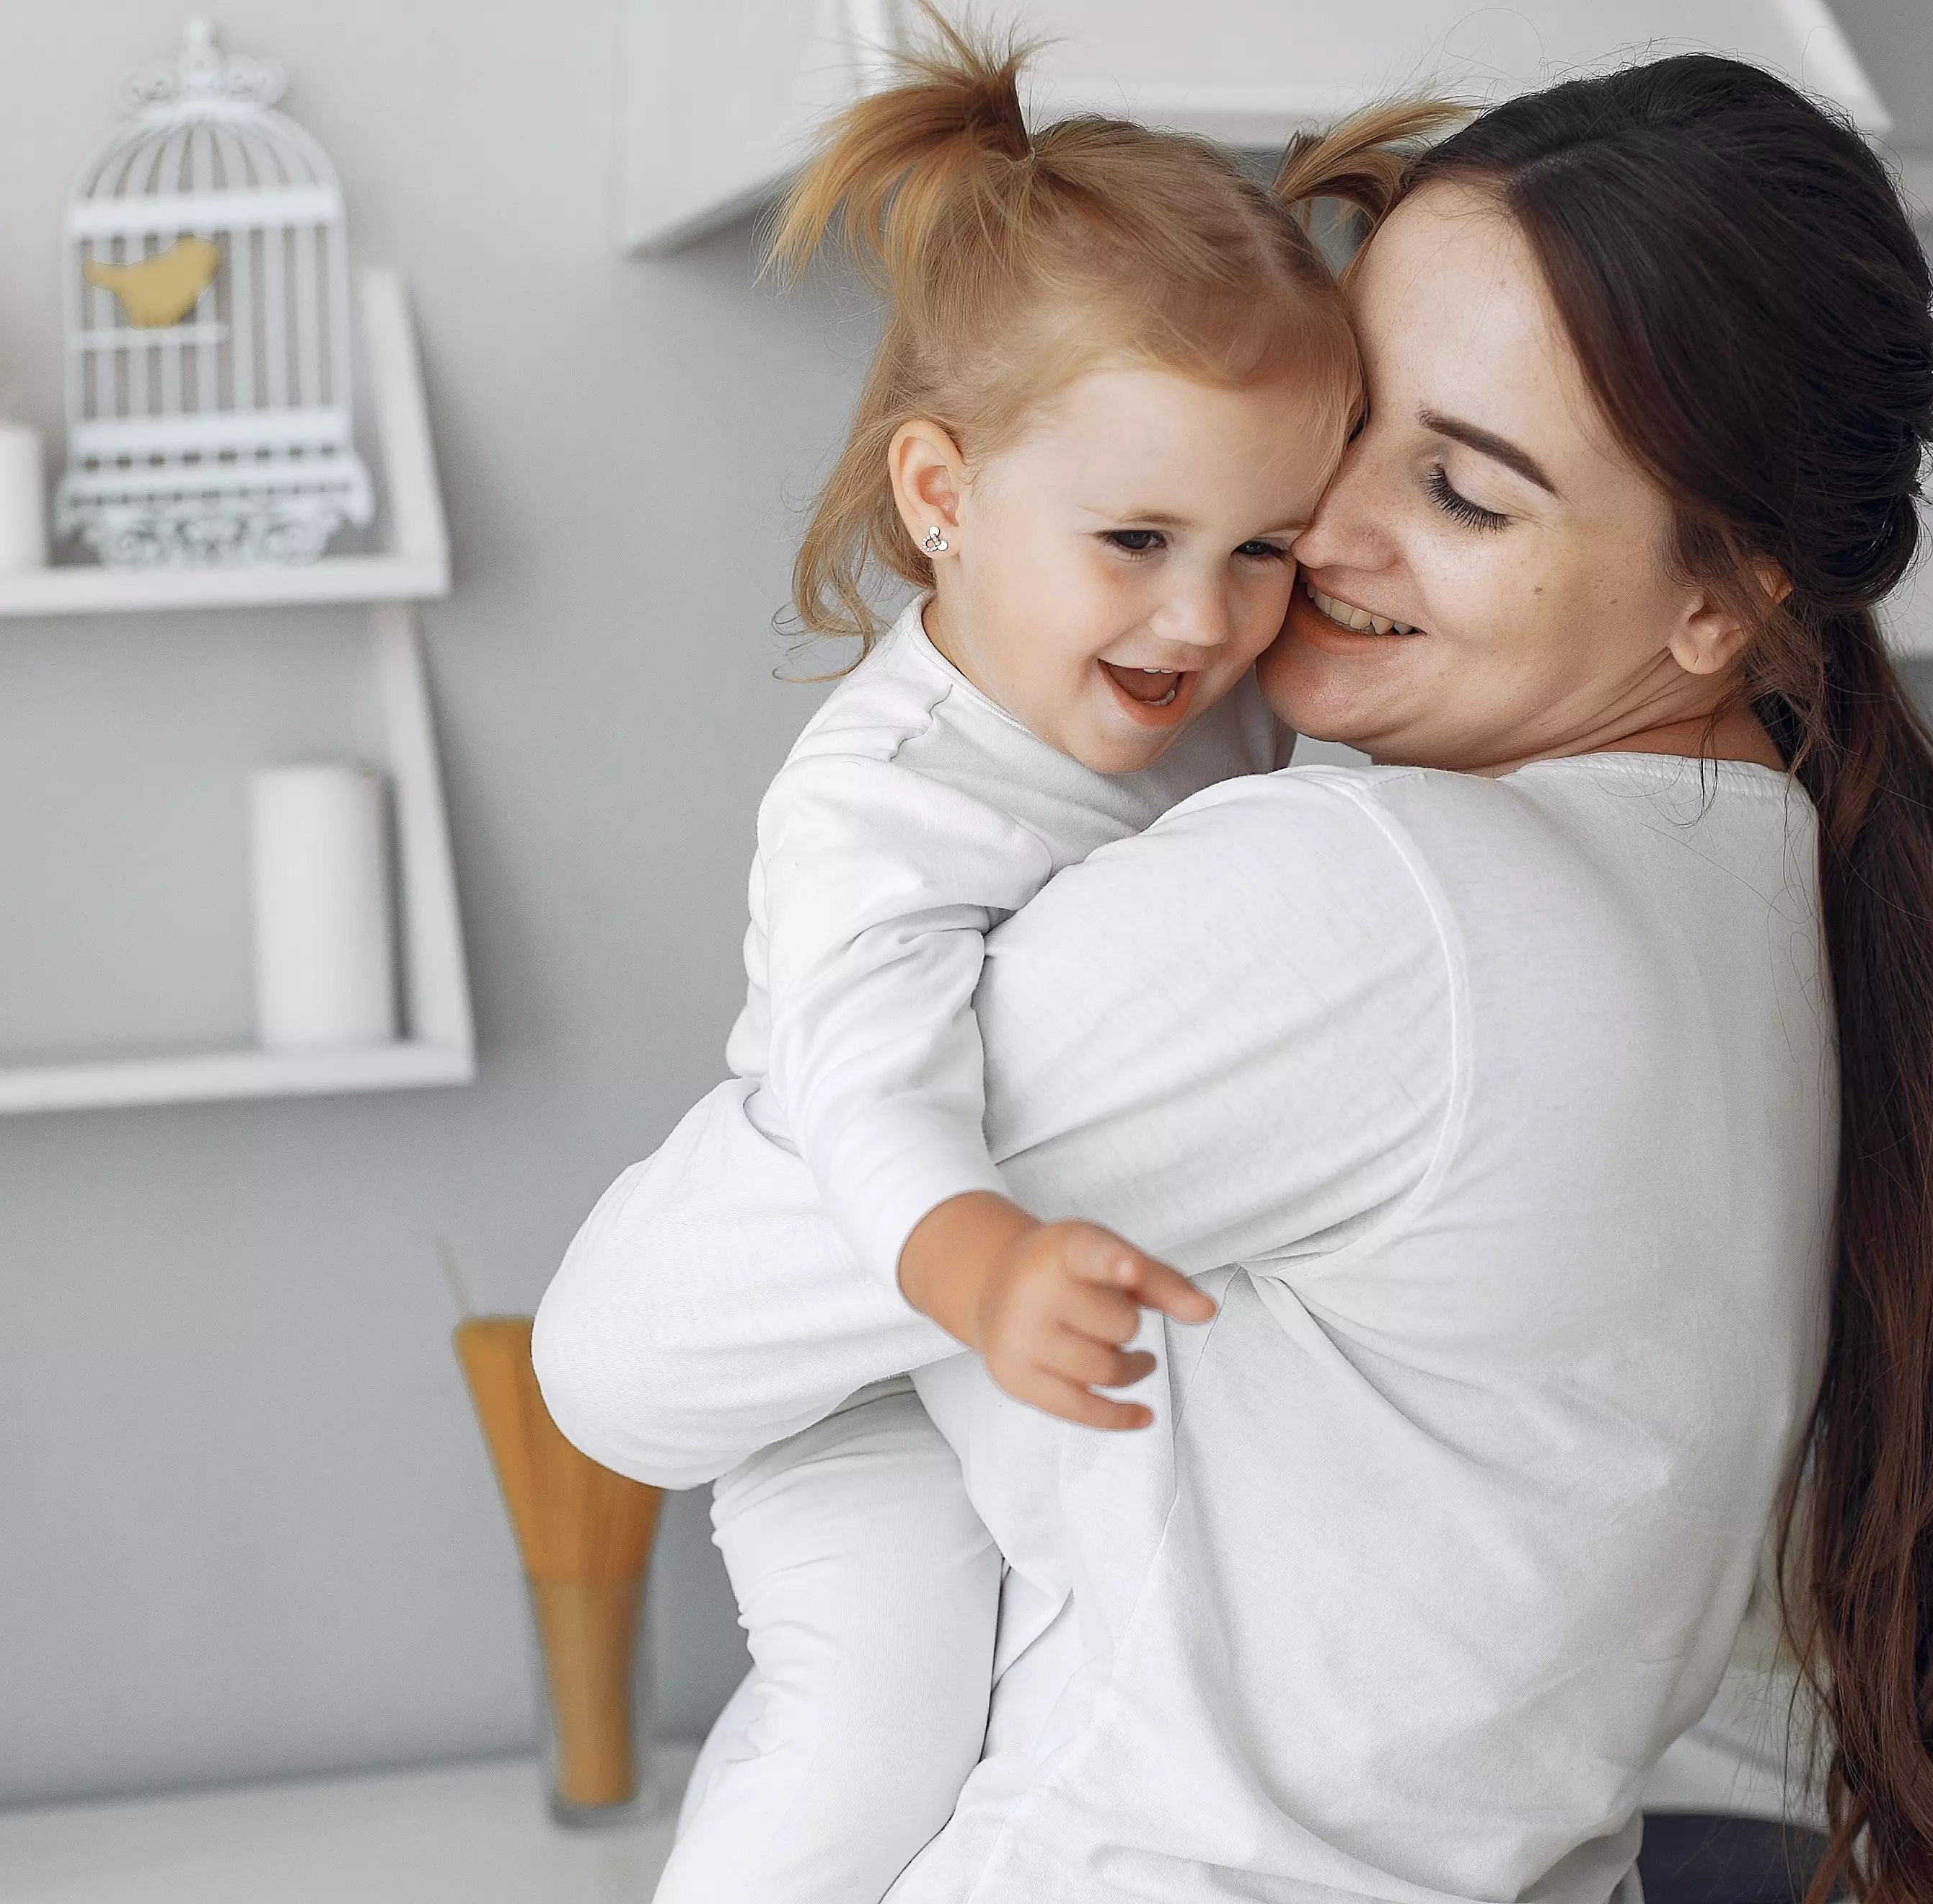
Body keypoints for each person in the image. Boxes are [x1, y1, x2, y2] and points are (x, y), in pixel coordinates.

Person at [540, 52, 1933, 1904]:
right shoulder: (1751, 910)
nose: (1314, 540)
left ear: (1721, 598)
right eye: (1349, 422)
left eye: (1467, 493)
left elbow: (618, 1357)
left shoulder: (1375, 906)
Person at [551, 22, 1422, 1902]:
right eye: (1136, 539)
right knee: (876, 1725)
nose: (1203, 616)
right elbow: (866, 1102)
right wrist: (985, 1264)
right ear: (940, 494)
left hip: (1041, 1328)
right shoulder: (883, 796)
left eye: (1264, 547)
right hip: (849, 1366)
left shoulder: (1213, 706)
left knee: (1068, 1712)